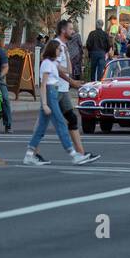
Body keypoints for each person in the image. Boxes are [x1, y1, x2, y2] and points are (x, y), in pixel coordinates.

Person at [24, 38, 97, 166]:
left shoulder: (54, 63)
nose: (60, 52)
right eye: (59, 50)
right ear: (53, 50)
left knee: (41, 127)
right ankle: (74, 155)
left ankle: (29, 155)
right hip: (50, 93)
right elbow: (43, 85)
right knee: (61, 123)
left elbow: (68, 70)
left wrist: (67, 54)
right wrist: (45, 104)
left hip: (53, 91)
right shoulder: (47, 63)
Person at [53, 20, 96, 159]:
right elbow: (56, 68)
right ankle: (32, 152)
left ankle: (81, 153)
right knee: (46, 123)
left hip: (63, 90)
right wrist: (72, 82)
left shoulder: (63, 46)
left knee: (72, 119)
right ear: (63, 31)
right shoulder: (56, 46)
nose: (73, 31)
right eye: (71, 29)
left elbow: (67, 69)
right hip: (55, 89)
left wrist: (71, 81)